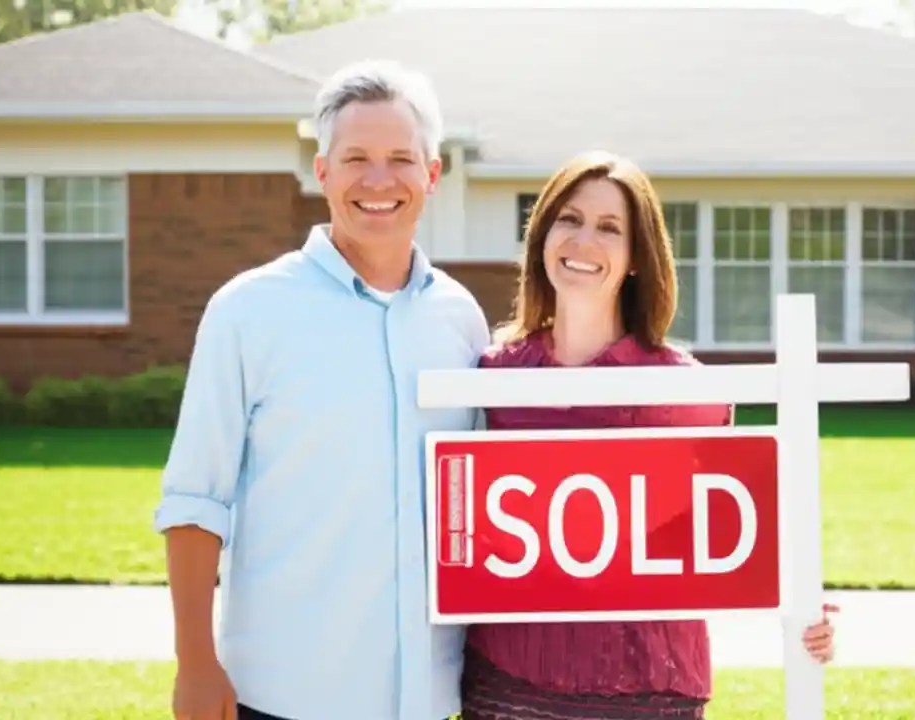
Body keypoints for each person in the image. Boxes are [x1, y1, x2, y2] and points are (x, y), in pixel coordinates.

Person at [152, 59, 489, 720]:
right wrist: (195, 663)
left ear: (432, 174)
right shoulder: (247, 311)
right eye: (356, 157)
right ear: (323, 170)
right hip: (284, 696)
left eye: (400, 158)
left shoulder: (462, 320)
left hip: (429, 696)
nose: (379, 180)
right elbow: (196, 499)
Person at [459, 150, 837, 720]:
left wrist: (809, 604)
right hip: (512, 684)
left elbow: (731, 529)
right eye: (569, 219)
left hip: (650, 688)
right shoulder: (491, 377)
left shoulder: (686, 394)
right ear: (542, 236)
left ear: (637, 257)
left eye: (610, 228)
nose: (584, 240)